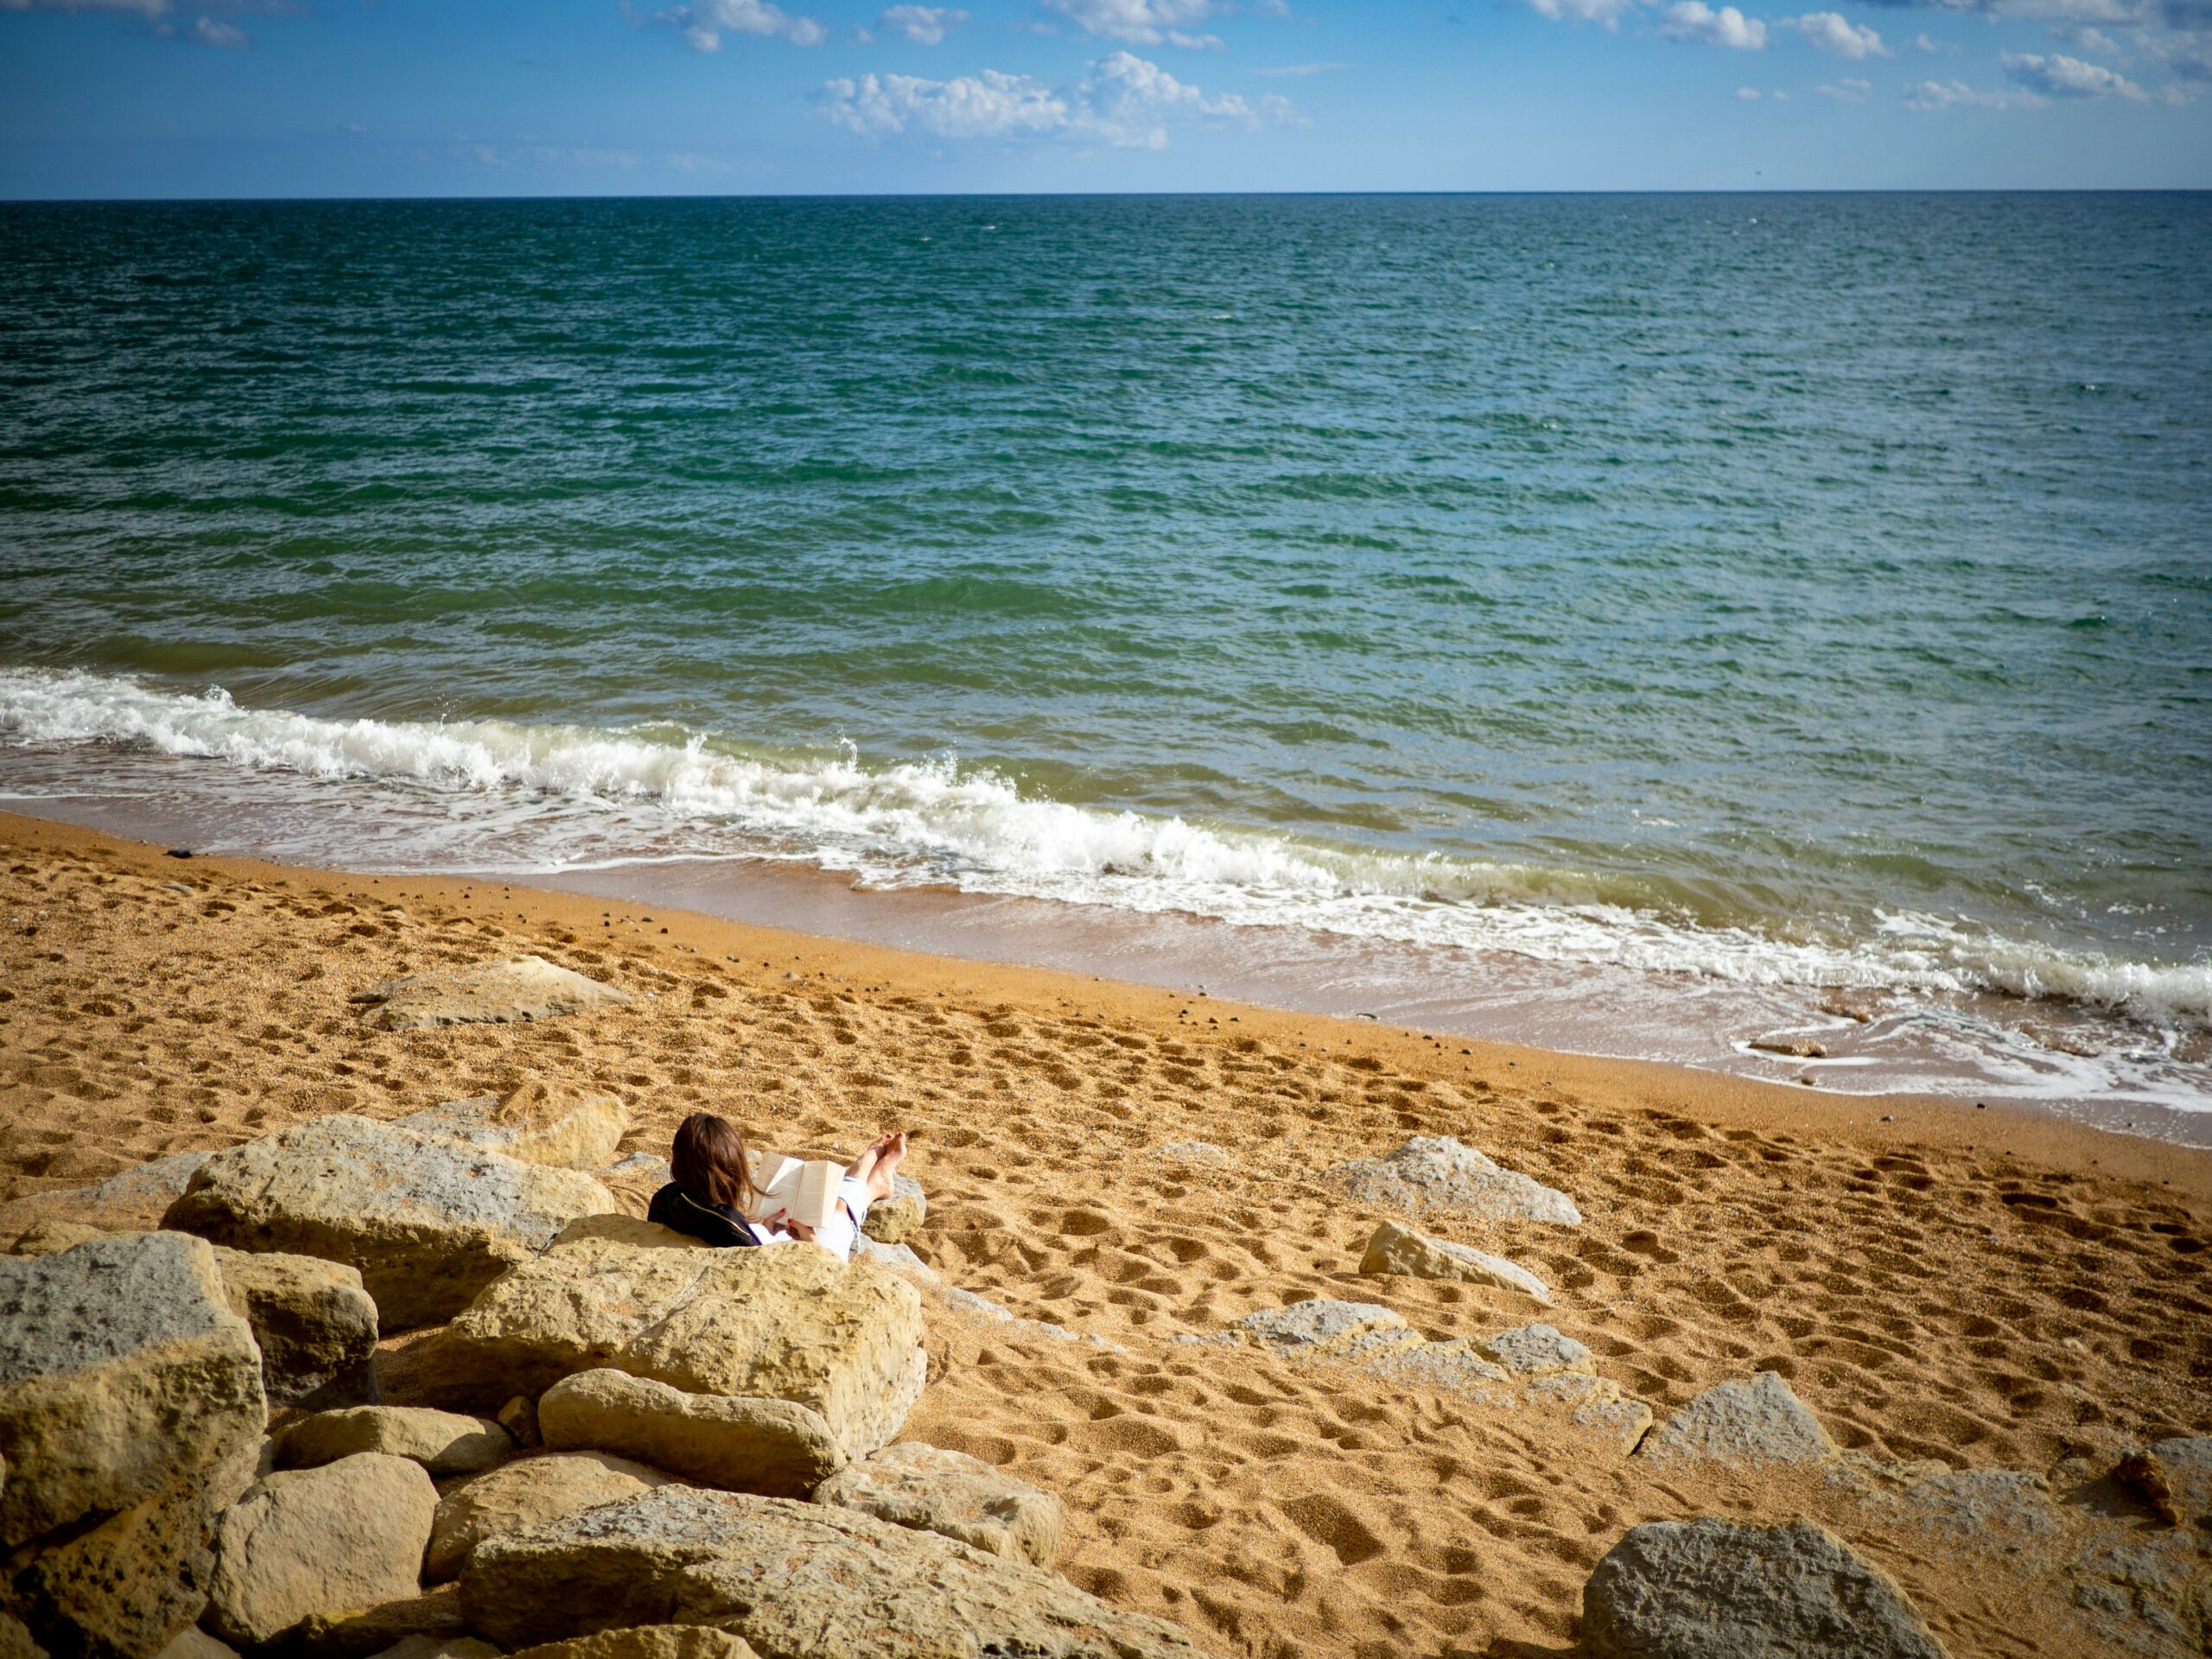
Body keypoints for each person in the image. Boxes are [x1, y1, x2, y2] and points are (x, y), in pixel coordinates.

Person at [647, 1111, 906, 1261]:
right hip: (782, 1268)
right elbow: (821, 1268)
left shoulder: (671, 1199)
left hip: (755, 1242)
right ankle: (868, 1183)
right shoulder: (731, 1226)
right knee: (836, 1220)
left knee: (822, 1216)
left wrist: (761, 1229)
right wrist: (810, 1242)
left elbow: (737, 1236)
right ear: (734, 1170)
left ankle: (859, 1179)